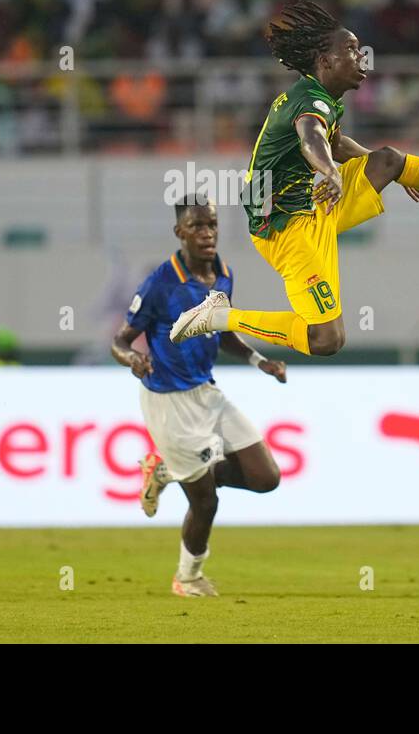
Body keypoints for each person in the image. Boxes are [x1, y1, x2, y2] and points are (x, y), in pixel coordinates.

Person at [171, 0, 419, 356]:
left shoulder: (324, 98)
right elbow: (311, 139)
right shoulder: (310, 103)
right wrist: (330, 170)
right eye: (351, 49)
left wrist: (396, 172)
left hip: (314, 206)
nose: (361, 57)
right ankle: (219, 317)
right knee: (327, 341)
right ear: (326, 60)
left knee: (389, 160)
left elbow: (334, 141)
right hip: (283, 230)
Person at [111, 196, 286, 597]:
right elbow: (119, 341)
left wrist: (260, 361)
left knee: (266, 477)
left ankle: (167, 471)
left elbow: (223, 333)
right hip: (169, 403)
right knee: (205, 502)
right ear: (180, 233)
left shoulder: (224, 274)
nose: (207, 233)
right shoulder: (161, 283)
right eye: (197, 227)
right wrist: (133, 358)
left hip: (207, 392)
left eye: (211, 225)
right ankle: (187, 578)